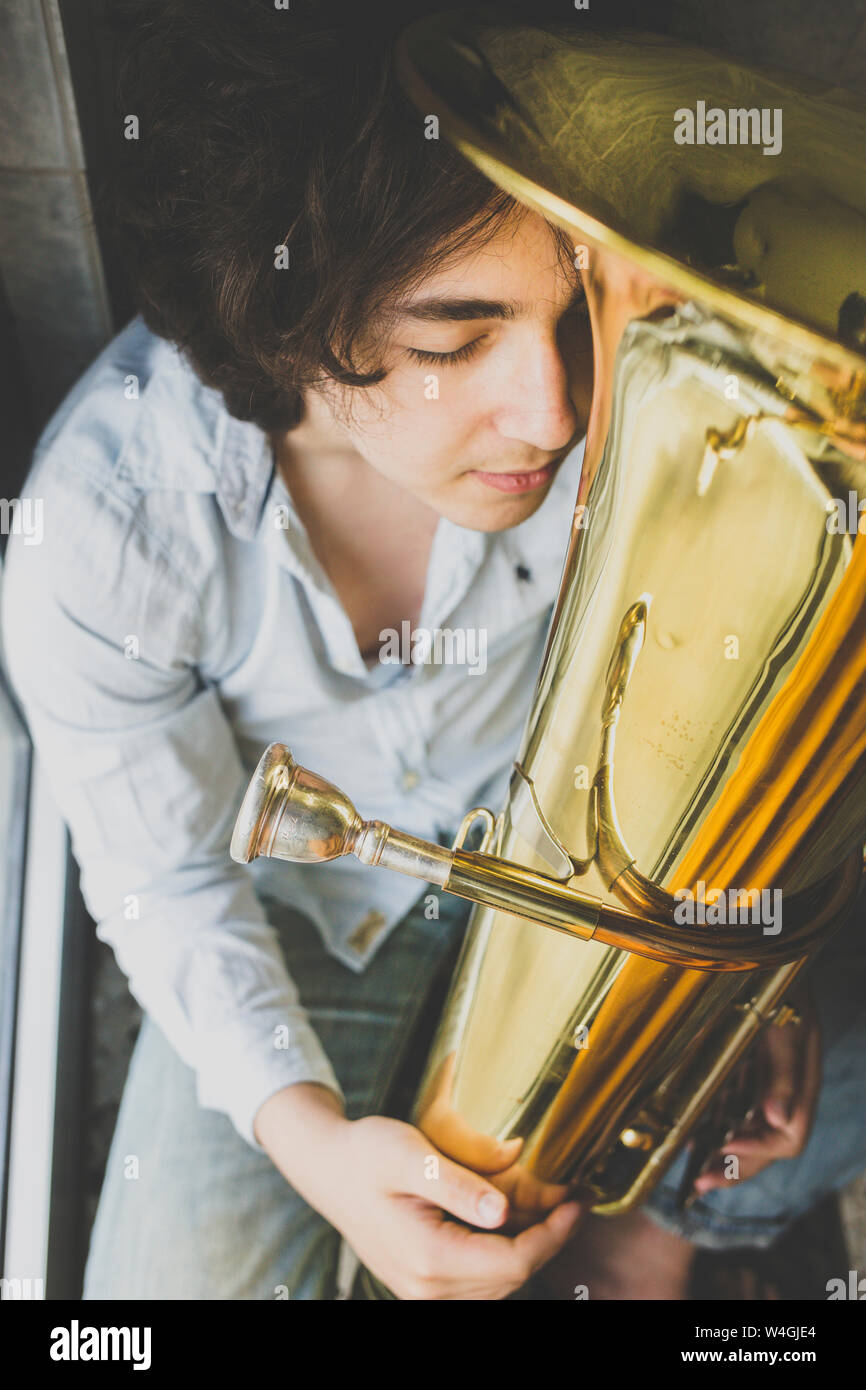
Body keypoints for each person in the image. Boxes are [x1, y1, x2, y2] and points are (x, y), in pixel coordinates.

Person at [3, 0, 865, 1301]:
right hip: (294, 920)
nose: (559, 406)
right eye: (452, 341)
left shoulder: (641, 385)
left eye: (571, 310)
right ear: (290, 327)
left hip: (567, 844)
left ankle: (648, 1249)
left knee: (819, 1091)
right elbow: (166, 883)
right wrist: (317, 1146)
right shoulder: (101, 531)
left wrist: (748, 974)